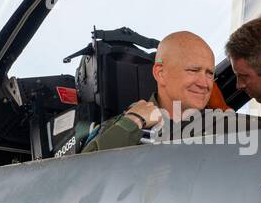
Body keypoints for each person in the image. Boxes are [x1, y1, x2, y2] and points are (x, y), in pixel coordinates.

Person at [81, 31, 216, 153]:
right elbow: (81, 172)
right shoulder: (124, 127)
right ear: (161, 73)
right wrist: (133, 121)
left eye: (209, 73)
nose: (204, 84)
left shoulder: (226, 126)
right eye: (193, 70)